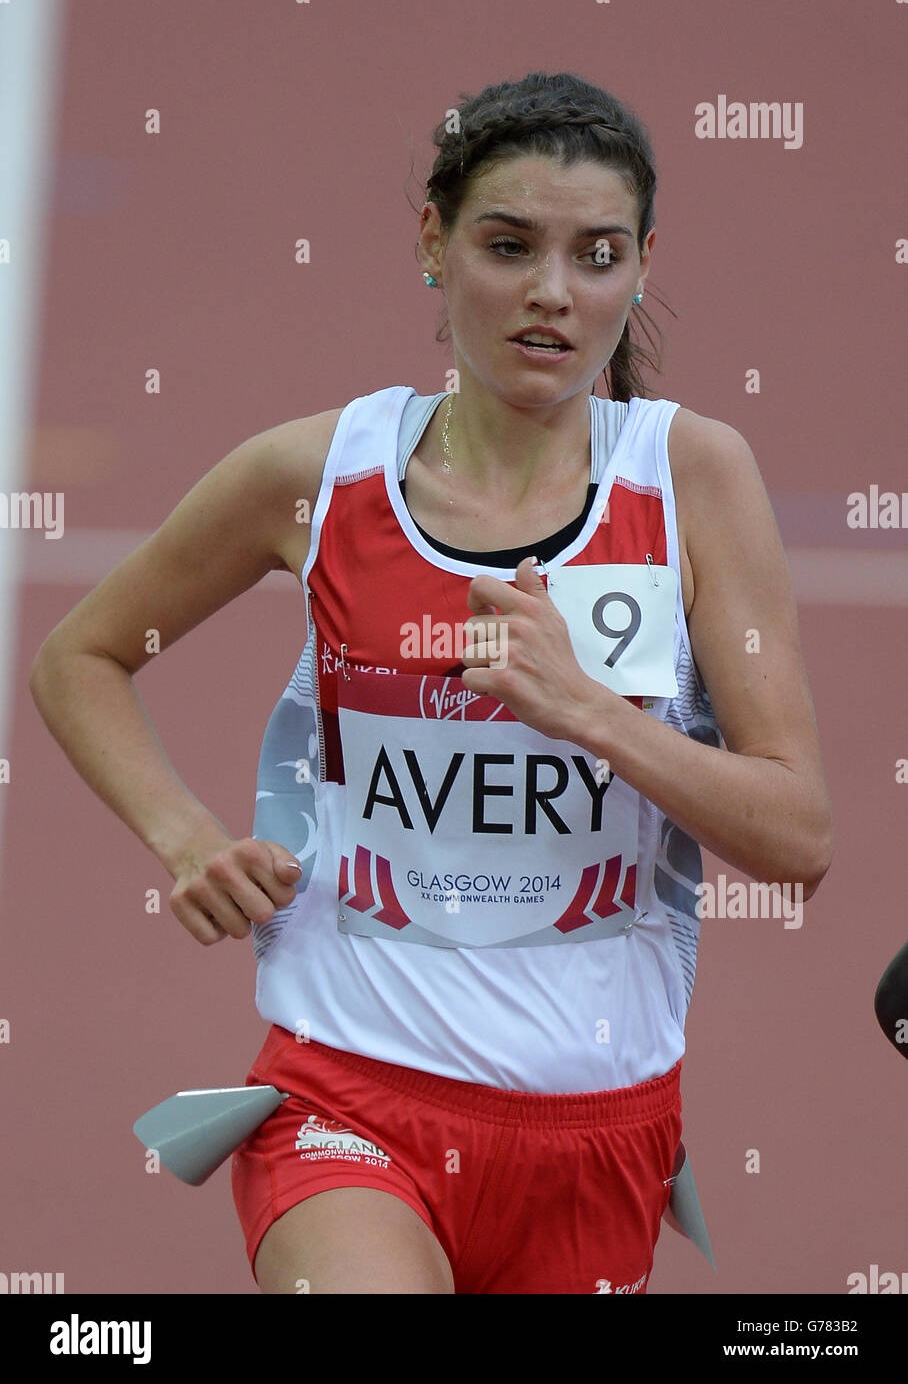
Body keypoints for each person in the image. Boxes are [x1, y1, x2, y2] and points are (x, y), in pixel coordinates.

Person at [29, 70, 834, 1295]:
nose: (551, 294)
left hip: (597, 1133)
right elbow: (81, 655)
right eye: (507, 246)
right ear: (433, 242)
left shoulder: (693, 483)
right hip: (347, 1093)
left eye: (596, 254)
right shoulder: (318, 471)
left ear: (642, 261)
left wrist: (591, 715)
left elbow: (795, 835)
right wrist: (185, 835)